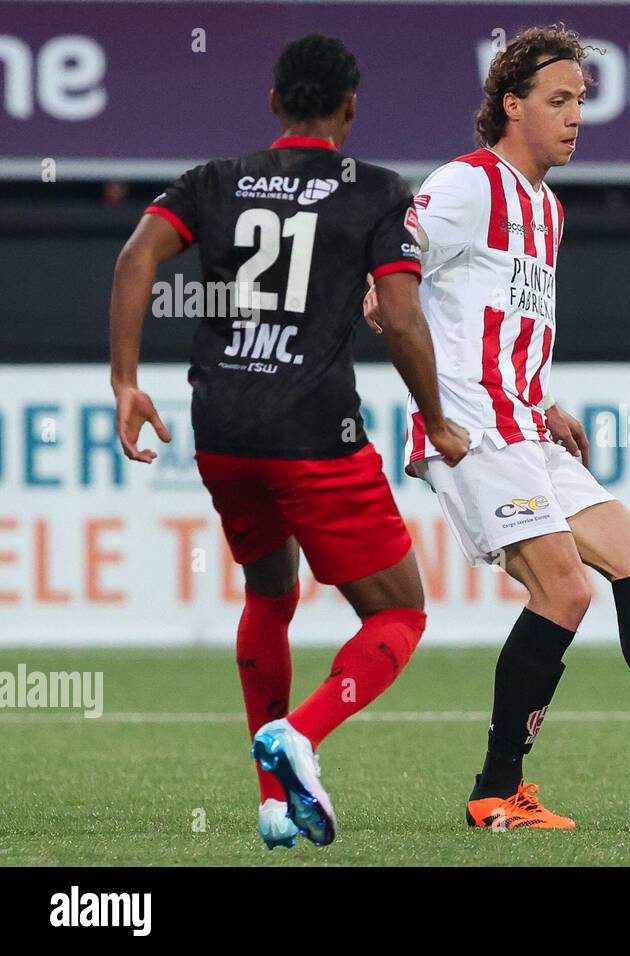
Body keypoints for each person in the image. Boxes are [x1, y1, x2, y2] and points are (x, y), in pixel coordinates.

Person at [365, 24, 630, 830]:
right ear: (512, 105)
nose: (576, 117)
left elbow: (492, 319)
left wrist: (538, 401)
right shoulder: (469, 185)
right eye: (559, 100)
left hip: (524, 426)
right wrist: (436, 410)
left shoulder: (545, 208)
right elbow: (386, 290)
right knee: (565, 590)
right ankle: (495, 790)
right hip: (472, 433)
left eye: (581, 101)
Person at [108, 33, 469, 848]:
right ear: (350, 108)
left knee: (270, 596)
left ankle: (274, 802)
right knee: (400, 614)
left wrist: (126, 382)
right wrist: (438, 418)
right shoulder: (376, 191)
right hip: (314, 436)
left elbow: (137, 257)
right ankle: (300, 735)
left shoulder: (214, 181)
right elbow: (403, 317)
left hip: (224, 430)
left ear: (274, 102)